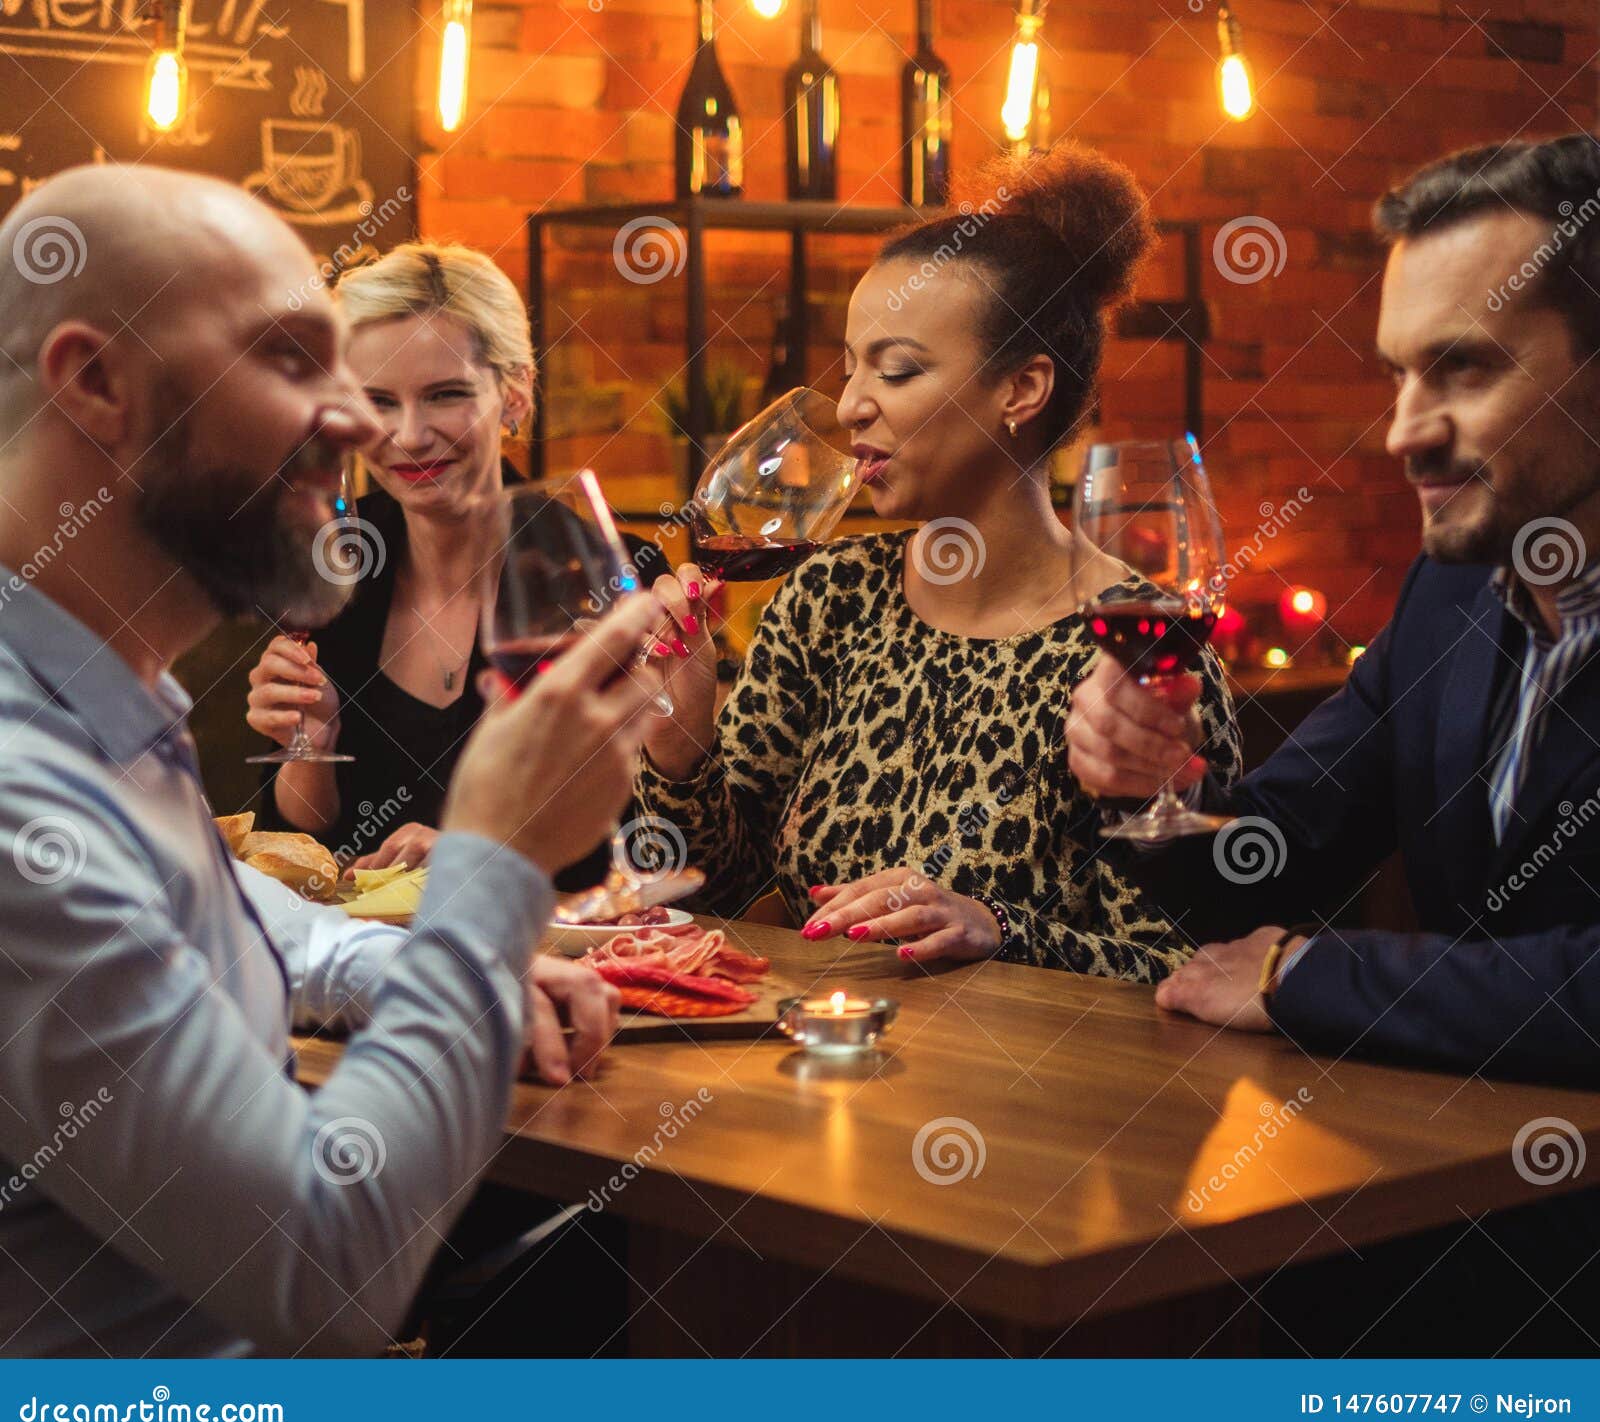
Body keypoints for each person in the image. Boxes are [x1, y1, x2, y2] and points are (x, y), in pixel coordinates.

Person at [0, 164, 662, 1355]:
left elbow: (227, 897)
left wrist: (408, 972)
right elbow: (324, 1273)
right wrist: (493, 873)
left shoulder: (94, 692)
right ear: (97, 383)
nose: (368, 428)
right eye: (293, 360)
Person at [1065, 133, 1600, 1084]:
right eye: (1400, 372)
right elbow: (1283, 850)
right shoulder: (1451, 597)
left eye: (1465, 368)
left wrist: (1304, 971)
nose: (1402, 431)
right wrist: (1153, 790)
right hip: (1452, 1198)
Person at [637, 141, 1241, 976]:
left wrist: (997, 929)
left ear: (1021, 391)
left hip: (1034, 1100)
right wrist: (681, 740)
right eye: (851, 368)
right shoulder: (829, 598)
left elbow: (1188, 965)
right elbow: (716, 890)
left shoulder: (1136, 648)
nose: (850, 404)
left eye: (896, 369)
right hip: (813, 1077)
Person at [244, 242, 672, 878]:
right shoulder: (329, 559)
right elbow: (302, 848)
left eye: (445, 395)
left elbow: (648, 845)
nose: (409, 435)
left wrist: (484, 859)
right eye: (379, 401)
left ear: (516, 394)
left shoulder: (604, 572)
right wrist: (310, 749)